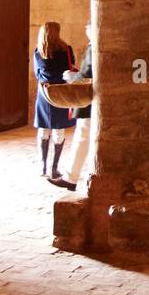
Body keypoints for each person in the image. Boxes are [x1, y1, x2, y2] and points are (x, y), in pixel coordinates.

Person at [33, 21, 75, 184]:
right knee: (59, 129)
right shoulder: (66, 50)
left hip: (44, 92)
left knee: (44, 128)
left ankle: (43, 166)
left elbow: (37, 73)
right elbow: (70, 69)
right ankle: (54, 168)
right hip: (60, 92)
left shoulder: (38, 51)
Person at [63, 23, 93, 188]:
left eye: (88, 27)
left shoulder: (94, 47)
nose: (86, 30)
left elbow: (88, 74)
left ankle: (71, 178)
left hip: (89, 99)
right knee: (84, 137)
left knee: (83, 136)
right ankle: (71, 177)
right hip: (94, 99)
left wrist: (72, 77)